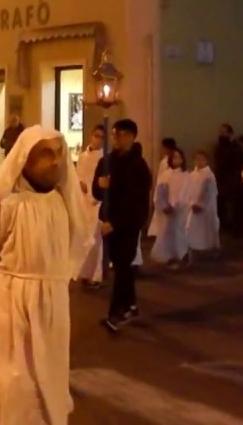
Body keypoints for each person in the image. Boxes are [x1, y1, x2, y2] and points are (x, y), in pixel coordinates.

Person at [0, 126, 91, 425]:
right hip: (14, 300)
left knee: (51, 374)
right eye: (46, 154)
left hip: (53, 302)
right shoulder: (5, 204)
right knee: (18, 380)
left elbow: (77, 243)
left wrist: (63, 279)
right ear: (24, 159)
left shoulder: (63, 203)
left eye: (59, 153)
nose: (56, 162)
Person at [94, 118, 152, 333]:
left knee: (122, 268)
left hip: (127, 224)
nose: (116, 138)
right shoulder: (107, 161)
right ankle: (131, 305)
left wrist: (116, 223)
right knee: (121, 266)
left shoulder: (138, 166)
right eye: (114, 134)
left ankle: (115, 313)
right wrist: (101, 186)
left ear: (131, 137)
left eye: (120, 134)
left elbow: (135, 201)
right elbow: (97, 191)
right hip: (108, 222)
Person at [75, 125, 106, 289]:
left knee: (96, 240)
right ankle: (84, 272)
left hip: (97, 202)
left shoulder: (104, 158)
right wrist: (81, 184)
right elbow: (78, 174)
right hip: (83, 202)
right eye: (96, 135)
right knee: (84, 238)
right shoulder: (83, 157)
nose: (98, 139)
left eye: (101, 136)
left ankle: (95, 275)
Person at [149, 149, 189, 269]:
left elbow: (190, 191)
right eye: (175, 157)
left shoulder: (186, 175)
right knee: (169, 233)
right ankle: (172, 256)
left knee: (182, 233)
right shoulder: (166, 175)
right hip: (169, 210)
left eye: (179, 157)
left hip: (183, 209)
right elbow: (160, 193)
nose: (177, 160)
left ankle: (183, 255)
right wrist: (164, 206)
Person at [184, 151, 221, 257]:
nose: (199, 162)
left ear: (206, 161)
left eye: (202, 159)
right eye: (197, 159)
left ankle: (208, 248)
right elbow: (188, 190)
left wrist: (201, 205)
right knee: (191, 227)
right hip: (192, 205)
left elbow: (210, 192)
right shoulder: (192, 175)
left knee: (206, 229)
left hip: (205, 208)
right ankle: (192, 247)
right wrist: (190, 203)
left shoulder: (209, 175)